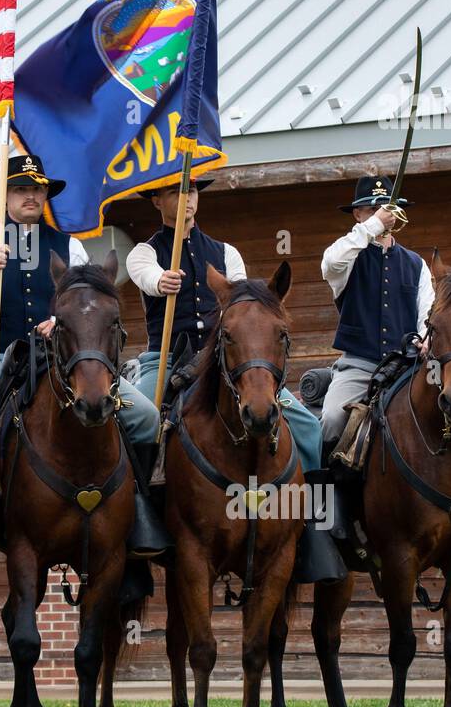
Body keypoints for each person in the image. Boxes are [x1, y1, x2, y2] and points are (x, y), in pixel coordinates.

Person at [0, 153, 169, 572]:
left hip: (63, 357)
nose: (31, 196)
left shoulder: (70, 245)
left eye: (37, 190)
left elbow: (85, 302)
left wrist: (61, 321)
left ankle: (137, 507)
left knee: (146, 418)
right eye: (23, 189)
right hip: (0, 353)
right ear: (6, 197)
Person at [127, 178, 341, 582]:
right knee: (136, 420)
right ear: (157, 200)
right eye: (175, 192)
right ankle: (138, 519)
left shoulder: (226, 253)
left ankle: (311, 528)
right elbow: (146, 277)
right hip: (166, 359)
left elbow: (240, 296)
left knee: (310, 427)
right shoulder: (144, 252)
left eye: (191, 191)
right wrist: (162, 281)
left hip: (222, 361)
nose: (186, 199)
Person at [320, 174, 451, 537]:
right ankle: (331, 510)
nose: (385, 215)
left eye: (390, 210)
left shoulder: (415, 264)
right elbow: (329, 264)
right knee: (333, 420)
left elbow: (427, 312)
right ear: (358, 214)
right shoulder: (347, 257)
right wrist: (371, 228)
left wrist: (425, 340)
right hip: (360, 364)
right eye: (374, 208)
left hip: (408, 366)